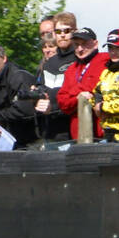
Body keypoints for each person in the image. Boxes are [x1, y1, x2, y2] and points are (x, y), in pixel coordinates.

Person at [0, 43, 38, 147]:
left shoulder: (18, 76)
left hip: (30, 140)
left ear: (4, 58)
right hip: (5, 141)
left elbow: (25, 108)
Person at [57, 28, 110, 141]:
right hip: (78, 137)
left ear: (95, 44)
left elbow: (94, 87)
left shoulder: (105, 60)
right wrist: (78, 97)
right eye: (76, 45)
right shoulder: (71, 70)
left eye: (85, 44)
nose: (80, 49)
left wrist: (72, 93)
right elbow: (62, 102)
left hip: (102, 134)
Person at [33, 11, 77, 144]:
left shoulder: (78, 58)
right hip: (50, 133)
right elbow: (43, 91)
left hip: (73, 132)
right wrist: (36, 96)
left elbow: (76, 96)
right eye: (58, 31)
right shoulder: (48, 64)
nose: (62, 35)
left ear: (74, 31)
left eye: (66, 30)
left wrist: (53, 107)